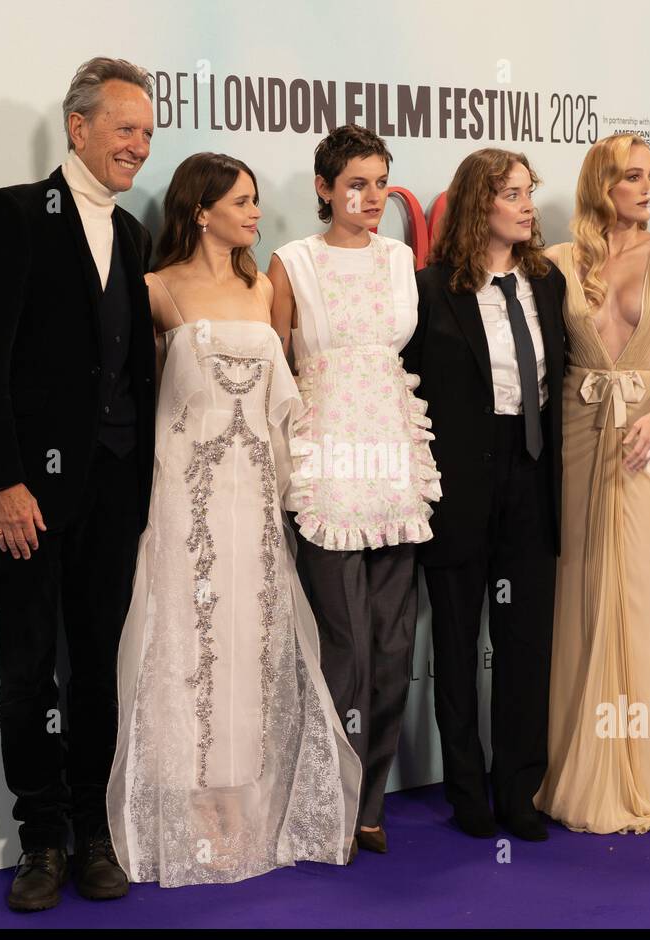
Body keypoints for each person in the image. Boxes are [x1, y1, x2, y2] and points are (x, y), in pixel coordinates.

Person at [104, 152, 362, 887]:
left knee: (249, 646)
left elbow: (286, 409)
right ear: (199, 211)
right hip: (186, 501)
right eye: (242, 201)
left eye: (255, 200)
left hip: (253, 505)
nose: (256, 213)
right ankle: (188, 809)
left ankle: (240, 801)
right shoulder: (155, 291)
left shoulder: (261, 288)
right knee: (187, 649)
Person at [0, 57, 157, 911]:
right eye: (124, 129)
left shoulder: (134, 233)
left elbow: (132, 371)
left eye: (147, 133)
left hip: (108, 492)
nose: (138, 147)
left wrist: (136, 487)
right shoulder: (17, 214)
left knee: (97, 666)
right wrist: (5, 483)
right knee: (29, 669)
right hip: (27, 493)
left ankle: (93, 834)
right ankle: (40, 841)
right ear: (78, 128)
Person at [267, 125, 440, 855]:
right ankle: (322, 804)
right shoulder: (291, 264)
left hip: (394, 470)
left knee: (395, 648)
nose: (371, 198)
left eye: (380, 182)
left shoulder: (401, 259)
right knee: (344, 649)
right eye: (356, 184)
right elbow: (275, 370)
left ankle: (369, 805)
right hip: (327, 472)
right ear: (324, 187)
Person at [538, 133, 650, 833]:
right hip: (577, 435)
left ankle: (646, 765)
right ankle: (579, 761)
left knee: (639, 589)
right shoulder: (554, 261)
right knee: (578, 585)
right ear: (601, 186)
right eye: (631, 177)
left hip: (645, 432)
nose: (646, 187)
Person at [401, 149, 566, 842]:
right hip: (460, 482)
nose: (529, 206)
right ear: (478, 206)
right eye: (512, 195)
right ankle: (468, 789)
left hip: (532, 472)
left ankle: (520, 789)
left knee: (527, 643)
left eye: (530, 193)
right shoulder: (429, 290)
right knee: (460, 642)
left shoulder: (548, 283)